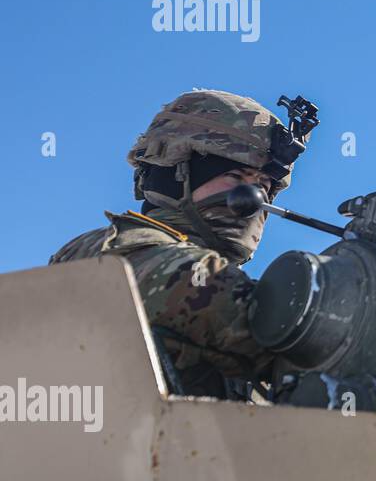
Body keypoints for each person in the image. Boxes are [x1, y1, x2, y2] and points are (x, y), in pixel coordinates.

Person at [49, 89, 316, 399]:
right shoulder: (114, 253)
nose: (256, 201)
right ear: (175, 175)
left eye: (263, 186)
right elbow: (241, 314)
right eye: (237, 176)